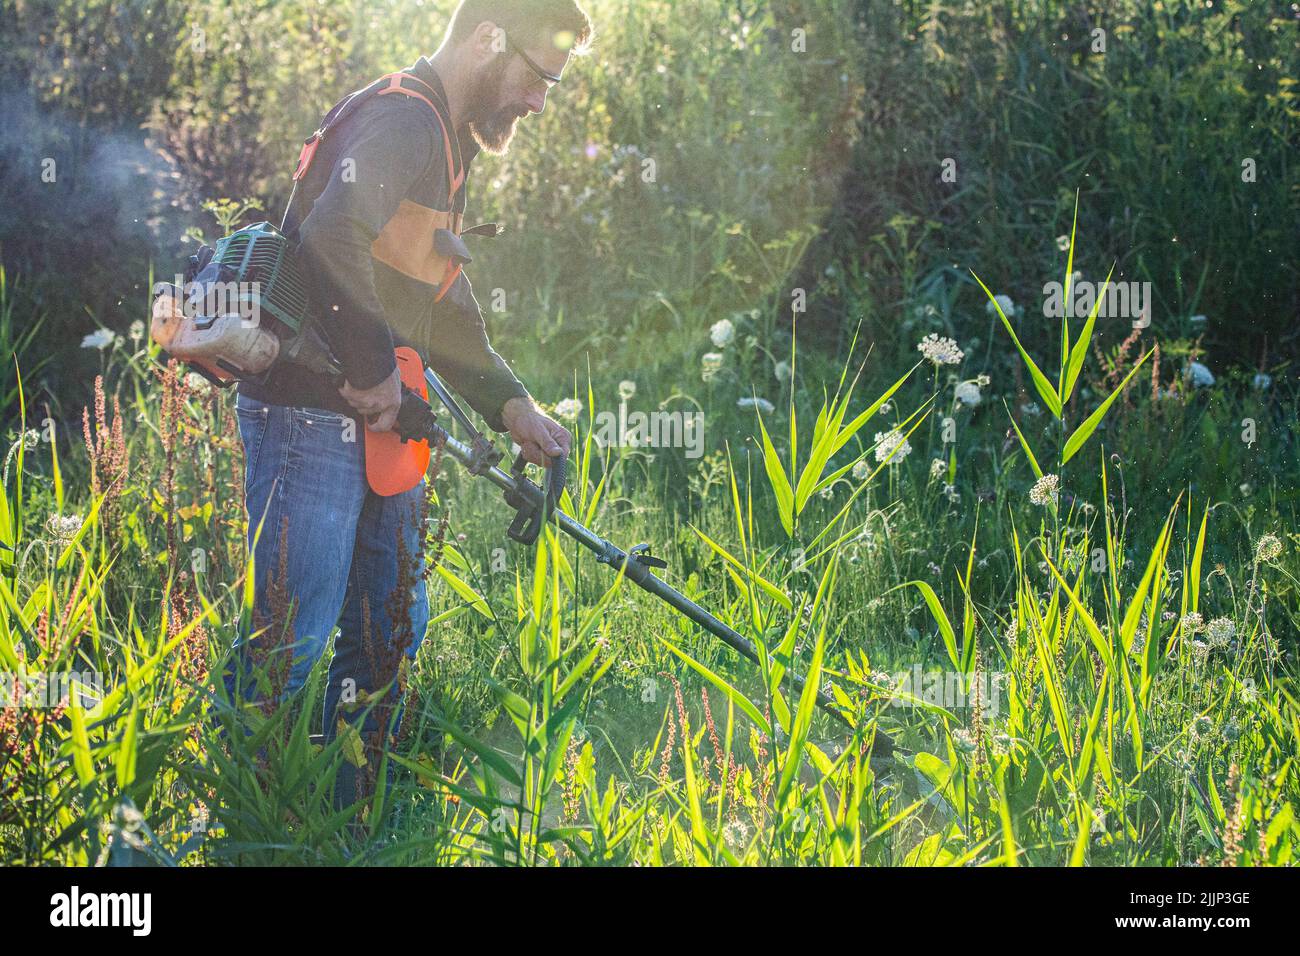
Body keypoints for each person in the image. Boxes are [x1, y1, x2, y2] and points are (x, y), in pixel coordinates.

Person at [226, 0, 592, 803]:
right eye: (539, 80)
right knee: (289, 643)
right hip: (311, 413)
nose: (538, 103)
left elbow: (437, 303)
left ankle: (347, 820)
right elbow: (329, 235)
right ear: (489, 39)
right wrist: (375, 370)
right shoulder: (405, 121)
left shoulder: (448, 142)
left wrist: (511, 405)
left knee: (387, 632)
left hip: (377, 423)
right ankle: (237, 832)